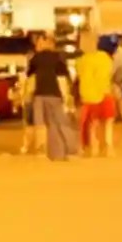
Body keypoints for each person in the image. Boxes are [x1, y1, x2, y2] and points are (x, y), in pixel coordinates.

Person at [26, 32, 78, 161]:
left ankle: (42, 152)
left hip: (39, 94)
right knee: (58, 123)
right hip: (55, 94)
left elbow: (29, 74)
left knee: (40, 124)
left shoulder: (35, 58)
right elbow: (65, 76)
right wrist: (68, 94)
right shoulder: (58, 57)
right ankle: (65, 152)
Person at [77, 32, 117, 157]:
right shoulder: (107, 59)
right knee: (108, 123)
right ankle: (108, 147)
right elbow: (108, 75)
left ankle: (94, 148)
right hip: (105, 93)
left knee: (93, 124)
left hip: (89, 95)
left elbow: (79, 74)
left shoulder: (83, 59)